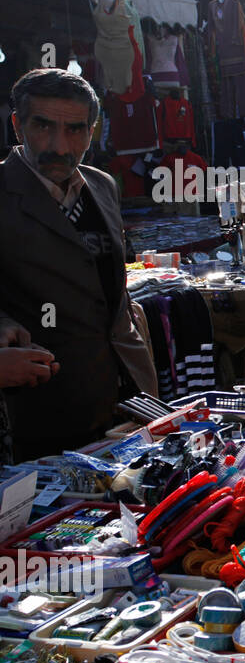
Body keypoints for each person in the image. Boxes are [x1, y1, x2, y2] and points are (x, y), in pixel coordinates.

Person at [0, 68, 157, 461]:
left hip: (128, 398)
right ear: (17, 126)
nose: (59, 144)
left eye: (75, 130)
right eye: (43, 126)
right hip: (44, 414)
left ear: (92, 131)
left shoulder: (102, 186)